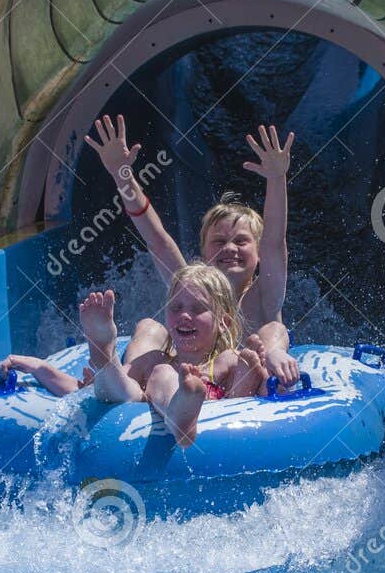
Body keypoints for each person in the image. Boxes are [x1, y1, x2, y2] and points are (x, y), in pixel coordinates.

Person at [82, 115, 301, 386]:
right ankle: (121, 382)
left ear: (258, 255)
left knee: (275, 330)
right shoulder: (191, 285)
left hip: (245, 389)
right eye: (219, 242)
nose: (230, 248)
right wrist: (120, 173)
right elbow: (157, 239)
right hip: (186, 383)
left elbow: (275, 242)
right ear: (203, 251)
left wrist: (277, 178)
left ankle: (270, 367)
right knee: (150, 328)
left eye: (241, 241)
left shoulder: (265, 293)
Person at [0, 263, 265, 447]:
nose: (185, 315)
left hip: (215, 423)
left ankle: (182, 408)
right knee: (142, 378)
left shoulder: (226, 361)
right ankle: (105, 352)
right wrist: (39, 367)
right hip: (159, 403)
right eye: (176, 307)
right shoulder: (155, 361)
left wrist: (255, 371)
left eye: (198, 309)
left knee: (167, 374)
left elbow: (258, 406)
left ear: (224, 323)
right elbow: (80, 393)